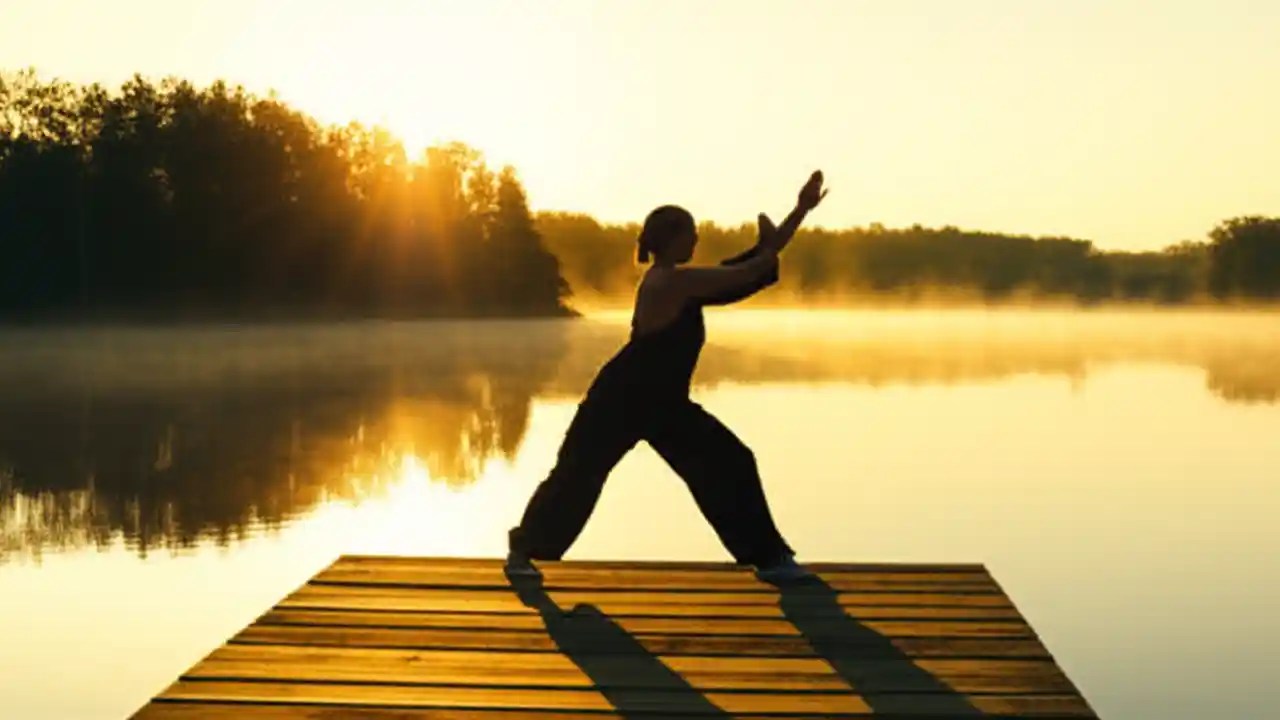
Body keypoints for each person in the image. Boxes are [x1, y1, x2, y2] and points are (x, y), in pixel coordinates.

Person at [506, 171, 829, 581]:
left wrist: (799, 211)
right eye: (691, 232)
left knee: (730, 463)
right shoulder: (669, 282)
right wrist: (768, 249)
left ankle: (771, 560)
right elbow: (744, 273)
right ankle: (524, 552)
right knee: (576, 474)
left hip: (663, 404)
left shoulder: (682, 279)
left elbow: (746, 266)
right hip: (621, 399)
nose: (697, 238)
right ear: (673, 239)